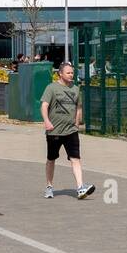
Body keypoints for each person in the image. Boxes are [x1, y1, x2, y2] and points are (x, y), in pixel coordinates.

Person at [41, 61, 95, 200]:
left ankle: (80, 187)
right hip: (54, 131)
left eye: (72, 72)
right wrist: (47, 121)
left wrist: (77, 123)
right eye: (68, 73)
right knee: (51, 159)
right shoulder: (51, 88)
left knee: (75, 158)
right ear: (60, 73)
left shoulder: (76, 89)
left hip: (71, 130)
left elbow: (78, 107)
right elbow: (44, 106)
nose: (71, 75)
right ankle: (49, 186)